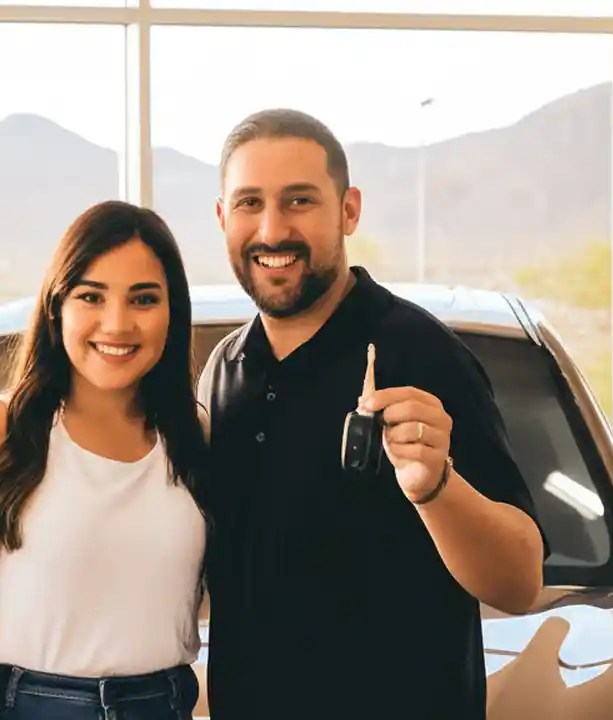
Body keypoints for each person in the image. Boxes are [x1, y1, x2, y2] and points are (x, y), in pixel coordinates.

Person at [196, 109, 548, 719]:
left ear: (349, 210)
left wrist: (435, 488)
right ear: (224, 218)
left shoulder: (424, 355)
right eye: (250, 203)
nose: (272, 229)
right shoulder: (223, 369)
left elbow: (519, 582)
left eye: (299, 200)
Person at [0, 200, 207, 720]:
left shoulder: (193, 438)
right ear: (56, 307)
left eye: (143, 299)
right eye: (91, 296)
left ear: (173, 312)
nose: (117, 324)